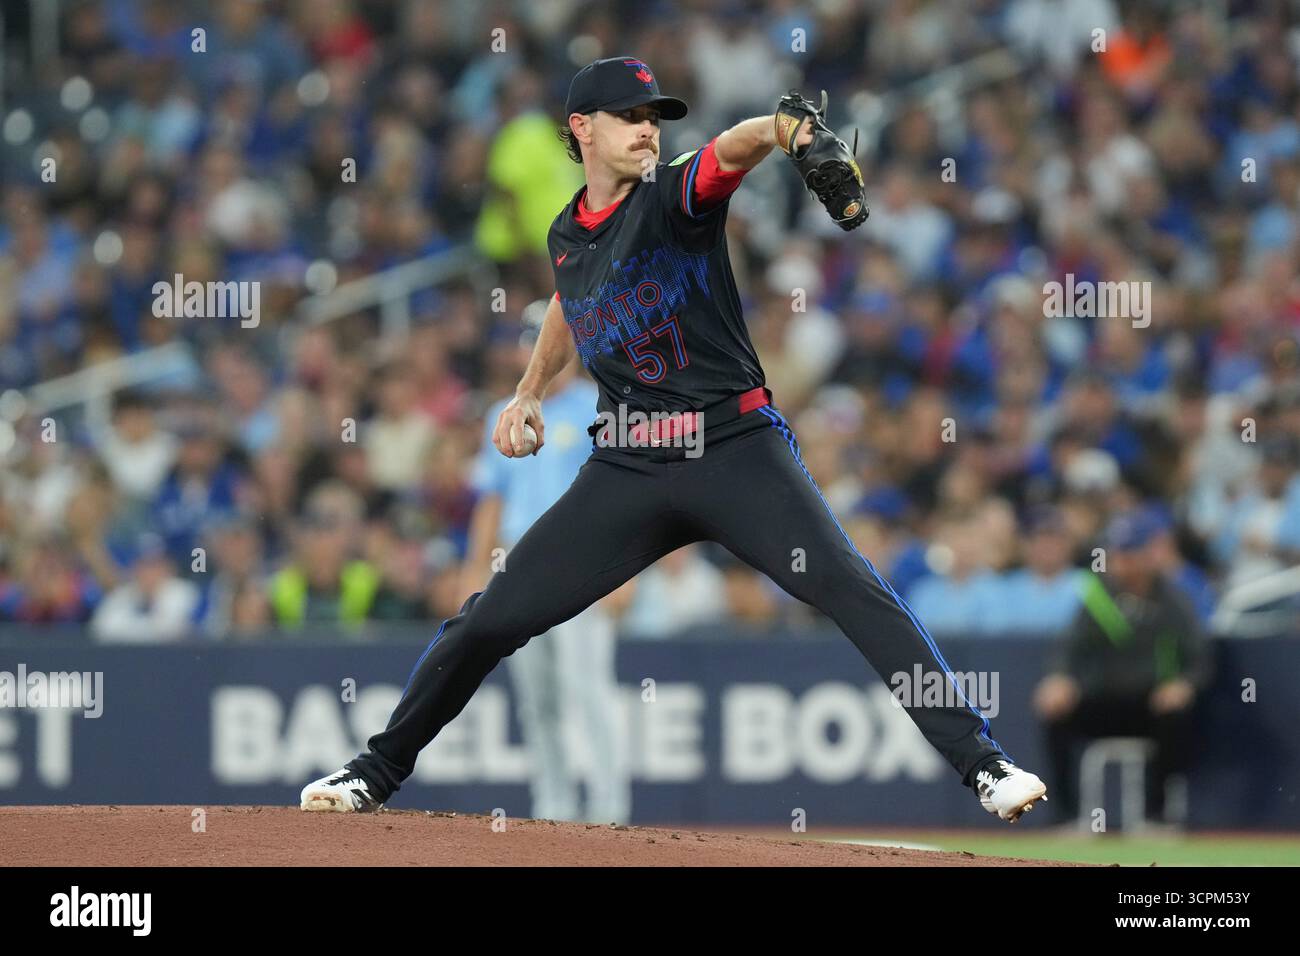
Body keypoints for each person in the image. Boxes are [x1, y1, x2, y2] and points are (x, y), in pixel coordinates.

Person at [301, 56, 1048, 822]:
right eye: (631, 116)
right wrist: (527, 390)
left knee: (850, 589)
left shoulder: (670, 196)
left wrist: (784, 129)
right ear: (582, 129)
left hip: (733, 445)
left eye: (654, 118)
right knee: (488, 618)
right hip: (629, 463)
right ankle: (373, 773)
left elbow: (729, 152)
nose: (648, 131)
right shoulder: (567, 232)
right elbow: (570, 302)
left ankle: (983, 763)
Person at [462, 329, 632, 824]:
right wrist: (475, 568)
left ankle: (608, 809)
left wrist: (625, 570)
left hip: (586, 558)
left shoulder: (599, 405)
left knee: (589, 688)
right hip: (518, 560)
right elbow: (491, 499)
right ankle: (553, 806)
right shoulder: (507, 409)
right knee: (538, 696)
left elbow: (624, 494)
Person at [1032, 506, 1212, 827]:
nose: (1120, 563)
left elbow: (1200, 657)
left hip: (1152, 704)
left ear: (1148, 555)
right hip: (1105, 700)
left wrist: (1184, 684)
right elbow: (1069, 647)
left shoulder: (1174, 599)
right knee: (1055, 712)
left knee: (1176, 716)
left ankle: (1156, 815)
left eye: (1129, 554)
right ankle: (1066, 816)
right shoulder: (1100, 595)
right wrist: (1059, 678)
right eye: (1117, 555)